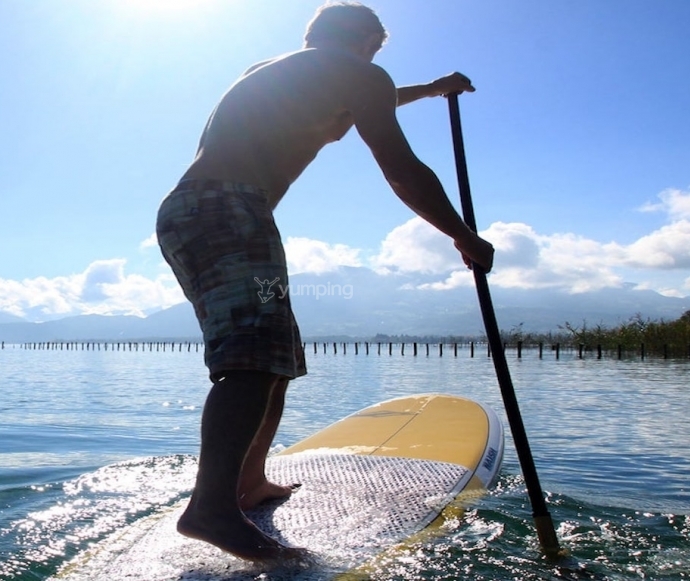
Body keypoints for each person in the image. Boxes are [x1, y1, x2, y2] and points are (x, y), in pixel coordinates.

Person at [156, 1, 494, 563]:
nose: (375, 61)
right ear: (365, 41)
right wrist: (462, 234)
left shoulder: (279, 71)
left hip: (203, 214)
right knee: (252, 359)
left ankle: (248, 483)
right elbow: (399, 165)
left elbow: (350, 103)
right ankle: (211, 508)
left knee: (277, 353)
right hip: (227, 213)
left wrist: (430, 89)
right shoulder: (358, 73)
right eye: (375, 51)